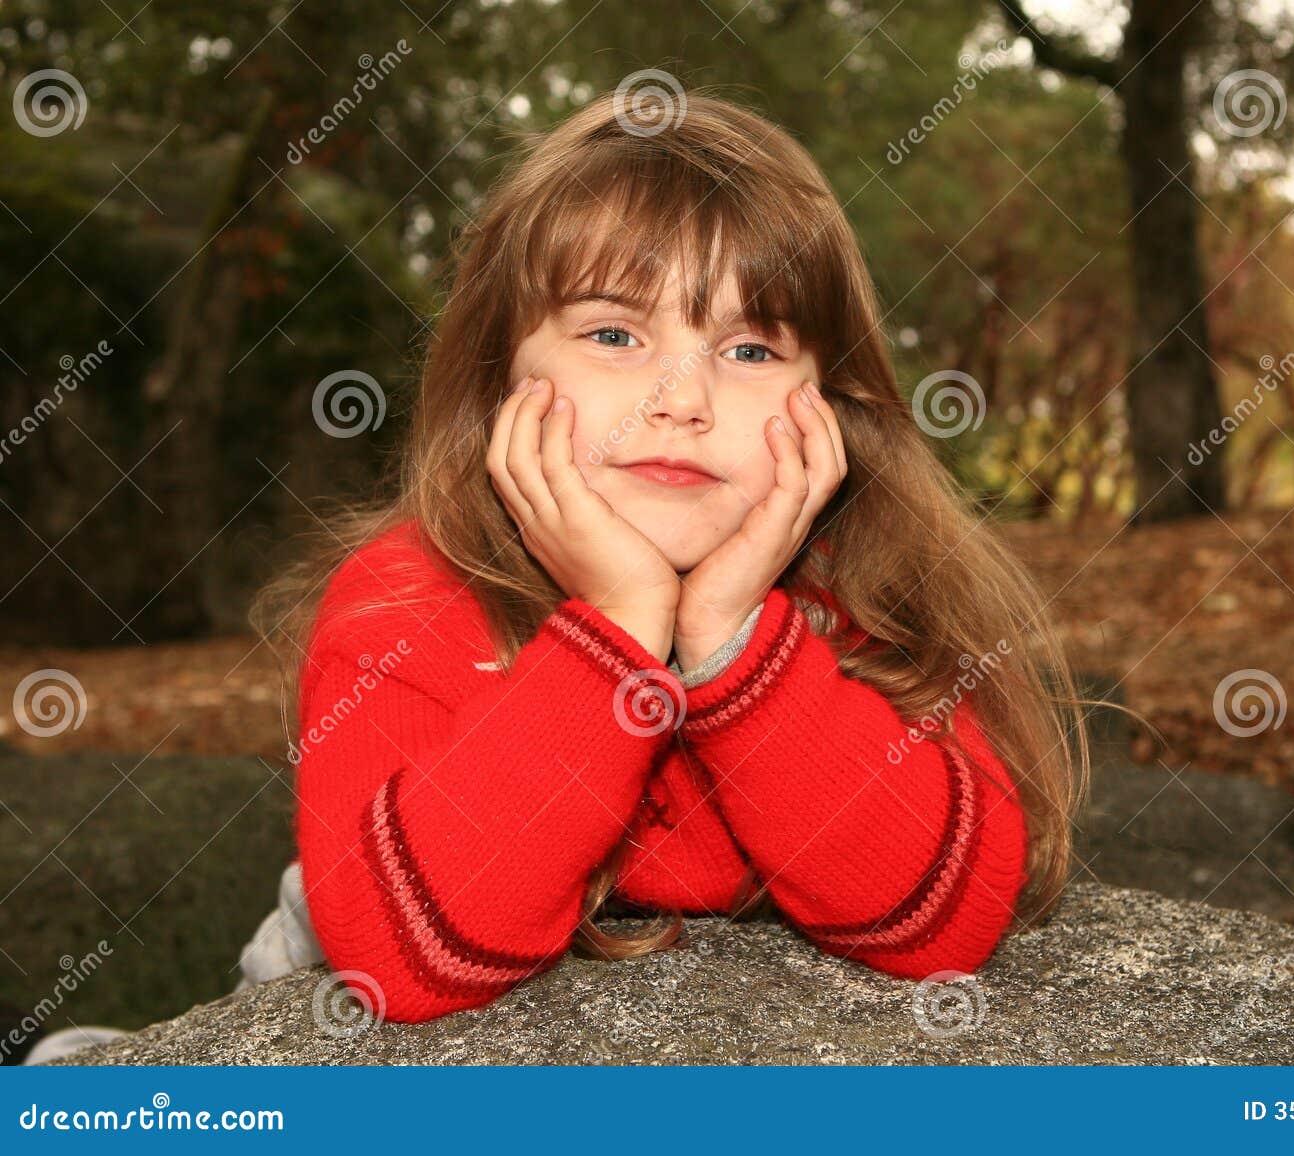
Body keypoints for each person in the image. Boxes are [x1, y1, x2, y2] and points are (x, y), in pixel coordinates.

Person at [27, 85, 1090, 1052]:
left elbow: (946, 920)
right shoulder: (407, 597)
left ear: (832, 409)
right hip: (333, 964)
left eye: (750, 350)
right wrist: (619, 623)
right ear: (502, 380)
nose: (682, 398)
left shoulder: (862, 599)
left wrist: (729, 638)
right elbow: (400, 963)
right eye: (614, 334)